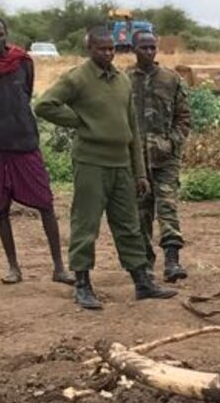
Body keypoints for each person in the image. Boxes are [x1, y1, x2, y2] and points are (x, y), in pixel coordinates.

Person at [35, 27, 175, 310]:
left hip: (121, 164)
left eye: (112, 48)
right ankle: (83, 284)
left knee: (129, 225)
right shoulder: (77, 78)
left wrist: (139, 172)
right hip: (91, 163)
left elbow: (133, 128)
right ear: (90, 49)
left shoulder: (122, 81)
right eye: (102, 49)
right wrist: (79, 121)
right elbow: (45, 105)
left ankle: (142, 281)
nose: (108, 53)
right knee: (86, 224)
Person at [0, 16, 68, 286]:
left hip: (25, 142)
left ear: (6, 34)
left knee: (45, 203)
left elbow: (27, 94)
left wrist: (16, 121)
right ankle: (13, 267)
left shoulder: (22, 62)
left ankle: (59, 268)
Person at [130, 31, 191, 282]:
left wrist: (172, 142)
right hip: (136, 159)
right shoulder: (124, 81)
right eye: (143, 47)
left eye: (152, 47)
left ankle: (172, 262)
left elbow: (184, 117)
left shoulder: (170, 79)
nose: (149, 52)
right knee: (140, 213)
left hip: (166, 158)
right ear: (134, 49)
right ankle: (144, 264)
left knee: (168, 207)